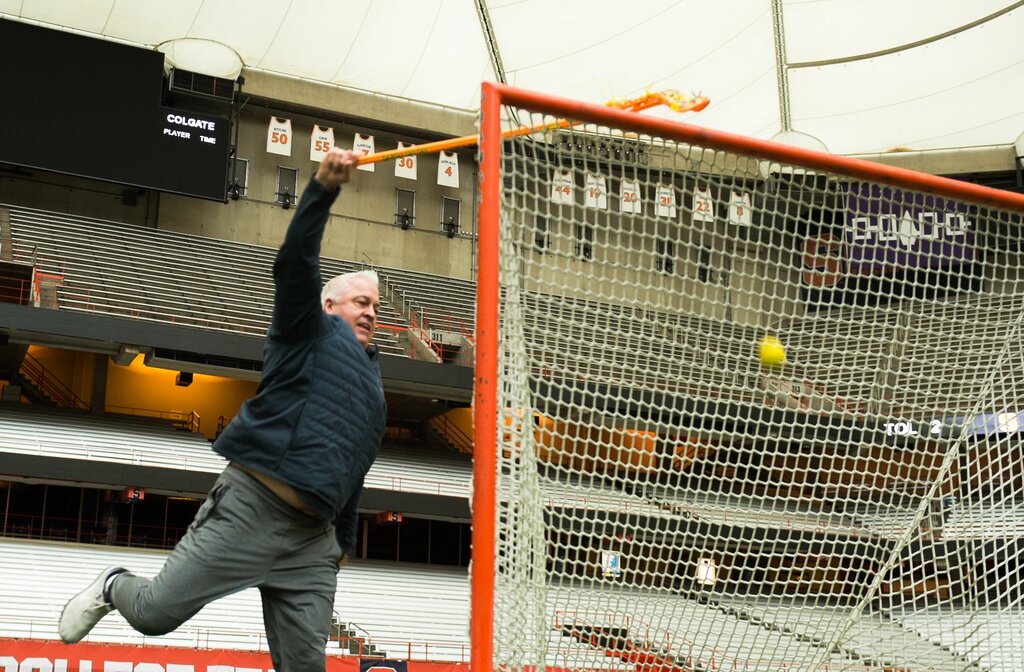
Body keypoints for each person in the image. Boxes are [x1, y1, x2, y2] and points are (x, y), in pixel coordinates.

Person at [58, 147, 387, 672]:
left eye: (376, 306)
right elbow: (295, 261)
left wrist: (343, 540)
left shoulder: (374, 383)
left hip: (312, 542)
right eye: (360, 302)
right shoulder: (306, 330)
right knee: (154, 614)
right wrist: (322, 190)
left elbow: (357, 466)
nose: (371, 312)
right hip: (252, 508)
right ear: (328, 306)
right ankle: (112, 584)